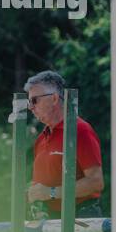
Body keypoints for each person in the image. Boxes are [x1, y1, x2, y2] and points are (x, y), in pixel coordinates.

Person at [24, 71, 104, 217]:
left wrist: (51, 193)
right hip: (51, 220)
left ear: (54, 98)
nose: (30, 107)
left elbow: (96, 182)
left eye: (34, 100)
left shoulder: (80, 130)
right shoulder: (41, 139)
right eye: (29, 102)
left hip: (81, 217)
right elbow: (42, 188)